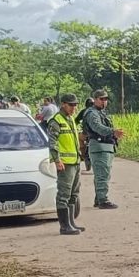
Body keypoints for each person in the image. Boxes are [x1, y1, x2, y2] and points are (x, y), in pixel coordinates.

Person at [43, 94, 86, 236]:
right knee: (64, 194)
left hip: (75, 161)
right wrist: (57, 160)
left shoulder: (71, 119)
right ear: (63, 104)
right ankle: (64, 226)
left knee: (74, 194)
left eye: (75, 105)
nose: (74, 107)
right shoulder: (56, 120)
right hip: (65, 164)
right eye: (71, 105)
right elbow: (52, 142)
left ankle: (71, 222)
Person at [79, 89, 124, 209]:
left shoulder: (101, 112)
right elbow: (97, 127)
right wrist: (112, 131)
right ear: (95, 100)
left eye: (106, 99)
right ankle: (103, 200)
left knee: (103, 174)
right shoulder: (92, 113)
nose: (104, 101)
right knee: (102, 175)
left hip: (106, 146)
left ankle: (99, 198)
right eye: (102, 99)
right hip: (99, 147)